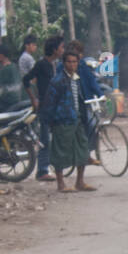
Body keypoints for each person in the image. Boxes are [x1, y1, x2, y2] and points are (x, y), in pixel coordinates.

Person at [42, 46, 100, 192]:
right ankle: (61, 184)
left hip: (77, 119)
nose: (72, 65)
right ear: (64, 63)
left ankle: (80, 182)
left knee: (82, 150)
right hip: (62, 121)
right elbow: (50, 103)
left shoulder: (76, 79)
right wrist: (49, 122)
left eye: (75, 62)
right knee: (60, 152)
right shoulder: (58, 81)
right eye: (69, 62)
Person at [23, 36, 62, 182]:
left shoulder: (55, 65)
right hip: (45, 107)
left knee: (51, 138)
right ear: (54, 50)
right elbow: (26, 79)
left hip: (54, 106)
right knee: (44, 139)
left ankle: (51, 166)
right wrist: (34, 98)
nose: (62, 50)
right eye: (61, 47)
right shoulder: (42, 64)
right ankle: (42, 170)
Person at [0, 43, 27, 116]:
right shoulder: (14, 66)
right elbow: (6, 83)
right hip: (16, 99)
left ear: (1, 56)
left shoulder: (5, 69)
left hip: (5, 102)